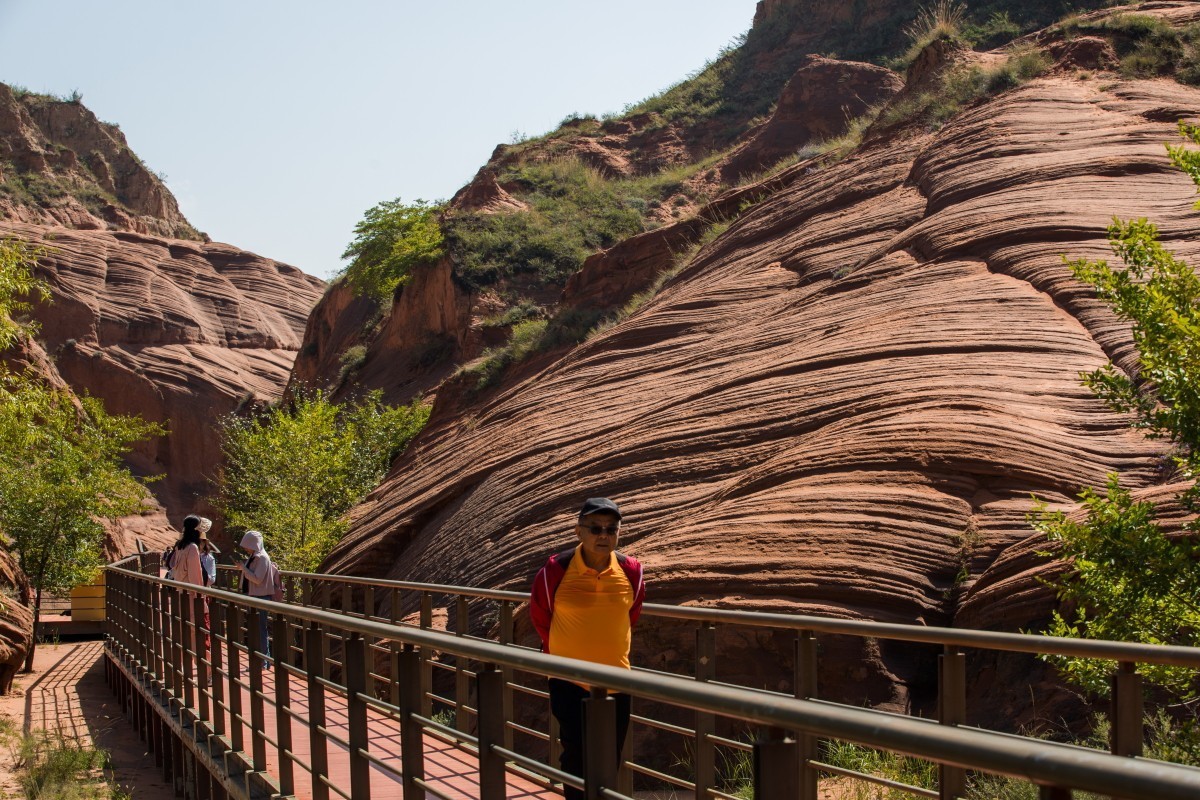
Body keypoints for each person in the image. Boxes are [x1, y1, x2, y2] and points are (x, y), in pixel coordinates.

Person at [529, 497, 645, 800]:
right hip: (568, 678)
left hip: (617, 679)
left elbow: (631, 614)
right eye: (594, 528)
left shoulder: (631, 570)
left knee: (610, 758)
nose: (603, 535)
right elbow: (541, 615)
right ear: (578, 531)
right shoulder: (556, 569)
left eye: (611, 528)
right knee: (576, 756)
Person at [172, 517, 210, 656]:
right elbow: (196, 576)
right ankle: (206, 669)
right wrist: (202, 597)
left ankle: (182, 664)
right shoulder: (192, 548)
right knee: (197, 631)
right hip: (192, 596)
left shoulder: (180, 546)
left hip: (182, 593)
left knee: (186, 631)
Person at [238, 530, 275, 664]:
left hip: (261, 597)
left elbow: (257, 579)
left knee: (260, 630)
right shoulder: (254, 556)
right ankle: (261, 661)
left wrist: (244, 569)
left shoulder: (262, 558)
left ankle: (264, 662)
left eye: (248, 545)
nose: (246, 548)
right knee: (256, 629)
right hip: (253, 596)